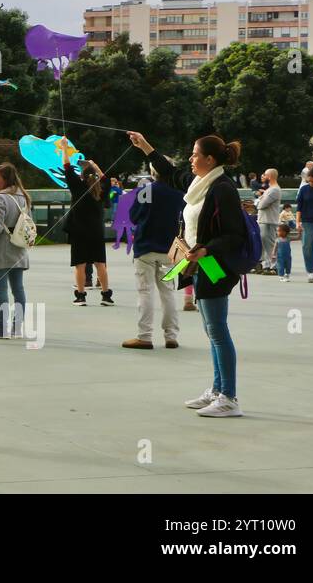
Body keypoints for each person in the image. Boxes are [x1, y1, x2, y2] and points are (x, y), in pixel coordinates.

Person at [128, 131, 248, 417]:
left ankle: (229, 397)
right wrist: (146, 146)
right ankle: (218, 390)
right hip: (199, 261)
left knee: (217, 330)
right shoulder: (200, 183)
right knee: (211, 329)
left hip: (212, 263)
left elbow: (235, 234)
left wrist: (206, 250)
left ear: (209, 159)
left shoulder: (222, 188)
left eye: (195, 154)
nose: (191, 159)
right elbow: (170, 173)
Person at [122, 164, 186, 349]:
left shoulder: (146, 191)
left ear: (153, 172)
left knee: (145, 291)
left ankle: (145, 335)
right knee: (168, 292)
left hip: (146, 247)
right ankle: (171, 335)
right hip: (170, 249)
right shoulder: (179, 193)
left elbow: (134, 217)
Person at [0, 164, 32, 339]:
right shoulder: (23, 195)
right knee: (18, 289)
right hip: (18, 247)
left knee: (0, 291)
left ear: (5, 179)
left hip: (1, 248)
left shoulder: (1, 197)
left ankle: (2, 329)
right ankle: (17, 328)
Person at [64, 158, 113, 306]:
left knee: (80, 265)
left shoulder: (77, 187)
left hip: (79, 231)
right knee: (100, 264)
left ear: (82, 176)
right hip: (96, 231)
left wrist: (65, 147)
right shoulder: (101, 189)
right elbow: (106, 179)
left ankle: (80, 296)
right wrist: (95, 165)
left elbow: (67, 167)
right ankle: (105, 295)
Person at [255, 168, 281, 275]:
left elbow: (261, 205)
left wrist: (259, 199)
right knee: (264, 244)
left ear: (269, 177)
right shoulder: (270, 189)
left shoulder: (274, 190)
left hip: (269, 221)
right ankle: (266, 265)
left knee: (269, 244)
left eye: (265, 175)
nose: (263, 177)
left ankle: (273, 266)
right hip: (264, 220)